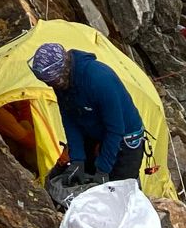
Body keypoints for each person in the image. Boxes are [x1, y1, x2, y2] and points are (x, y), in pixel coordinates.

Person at [29, 41, 147, 195]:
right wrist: (78, 159)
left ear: (64, 70)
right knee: (83, 186)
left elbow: (116, 129)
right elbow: (70, 120)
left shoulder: (99, 80)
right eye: (47, 83)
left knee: (119, 192)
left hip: (125, 137)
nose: (51, 86)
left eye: (52, 82)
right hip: (94, 132)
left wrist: (103, 169)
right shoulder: (62, 84)